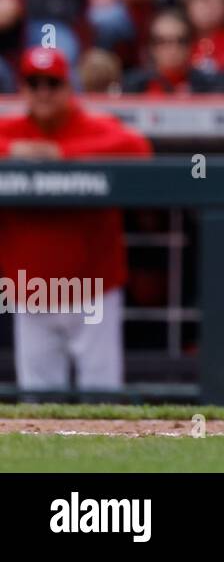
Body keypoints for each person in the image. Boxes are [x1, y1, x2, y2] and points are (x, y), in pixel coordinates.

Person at [0, 46, 151, 392]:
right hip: (32, 291)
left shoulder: (91, 124)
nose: (43, 92)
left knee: (102, 395)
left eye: (51, 83)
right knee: (38, 399)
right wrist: (13, 152)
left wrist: (61, 155)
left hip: (92, 289)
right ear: (22, 89)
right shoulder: (11, 130)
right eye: (33, 83)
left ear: (67, 87)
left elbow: (138, 148)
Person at [123, 9, 218, 95]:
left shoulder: (209, 85)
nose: (172, 48)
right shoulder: (133, 85)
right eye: (162, 41)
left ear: (191, 44)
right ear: (151, 46)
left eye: (180, 41)